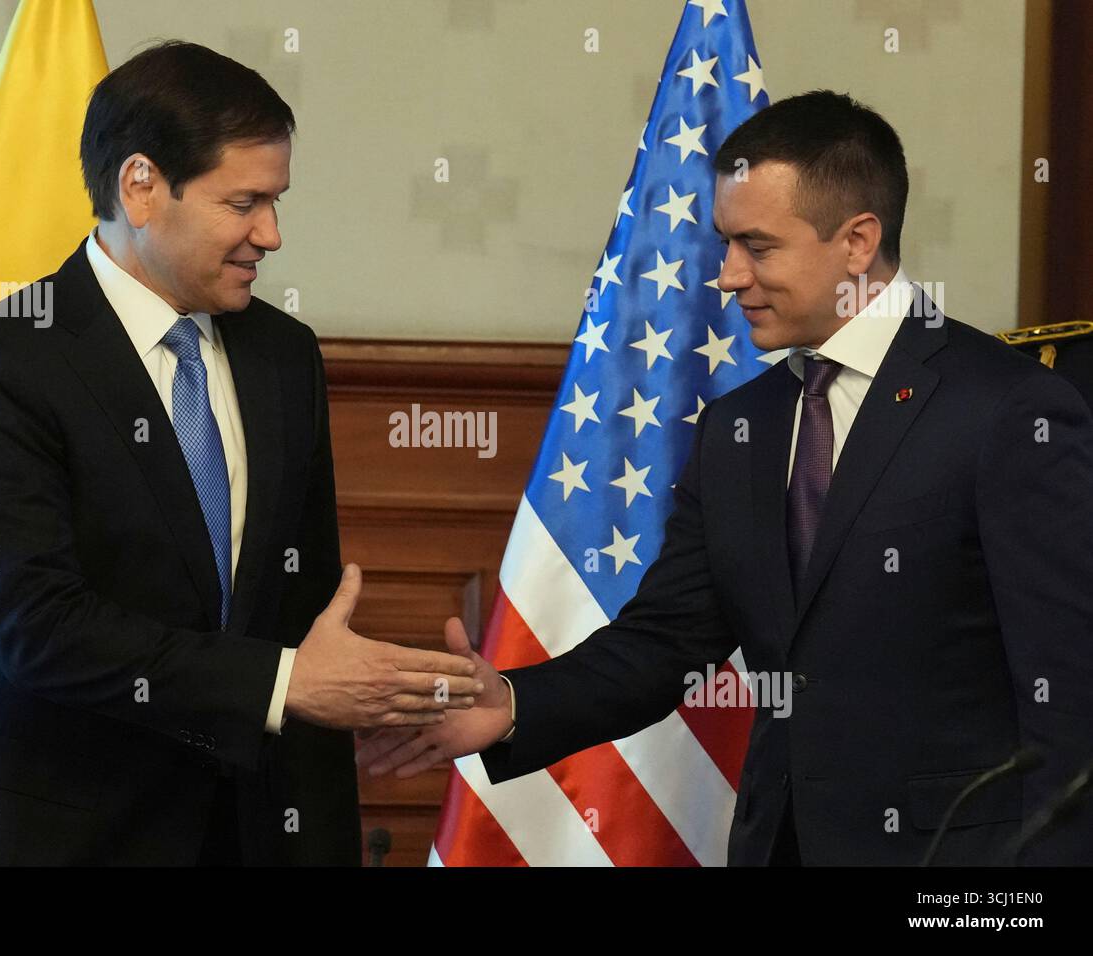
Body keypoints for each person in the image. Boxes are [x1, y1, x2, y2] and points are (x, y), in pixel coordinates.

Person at [360, 91, 1093, 866]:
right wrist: (510, 704)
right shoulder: (741, 425)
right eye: (725, 243)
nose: (727, 275)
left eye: (758, 245)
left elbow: (1071, 697)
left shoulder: (1007, 407)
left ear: (857, 241)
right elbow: (667, 641)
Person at [0, 41, 480, 867]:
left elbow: (301, 627)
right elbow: (36, 626)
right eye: (245, 202)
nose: (272, 233)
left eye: (277, 199)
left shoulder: (283, 355)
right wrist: (279, 684)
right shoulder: (0, 363)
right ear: (142, 187)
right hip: (47, 840)